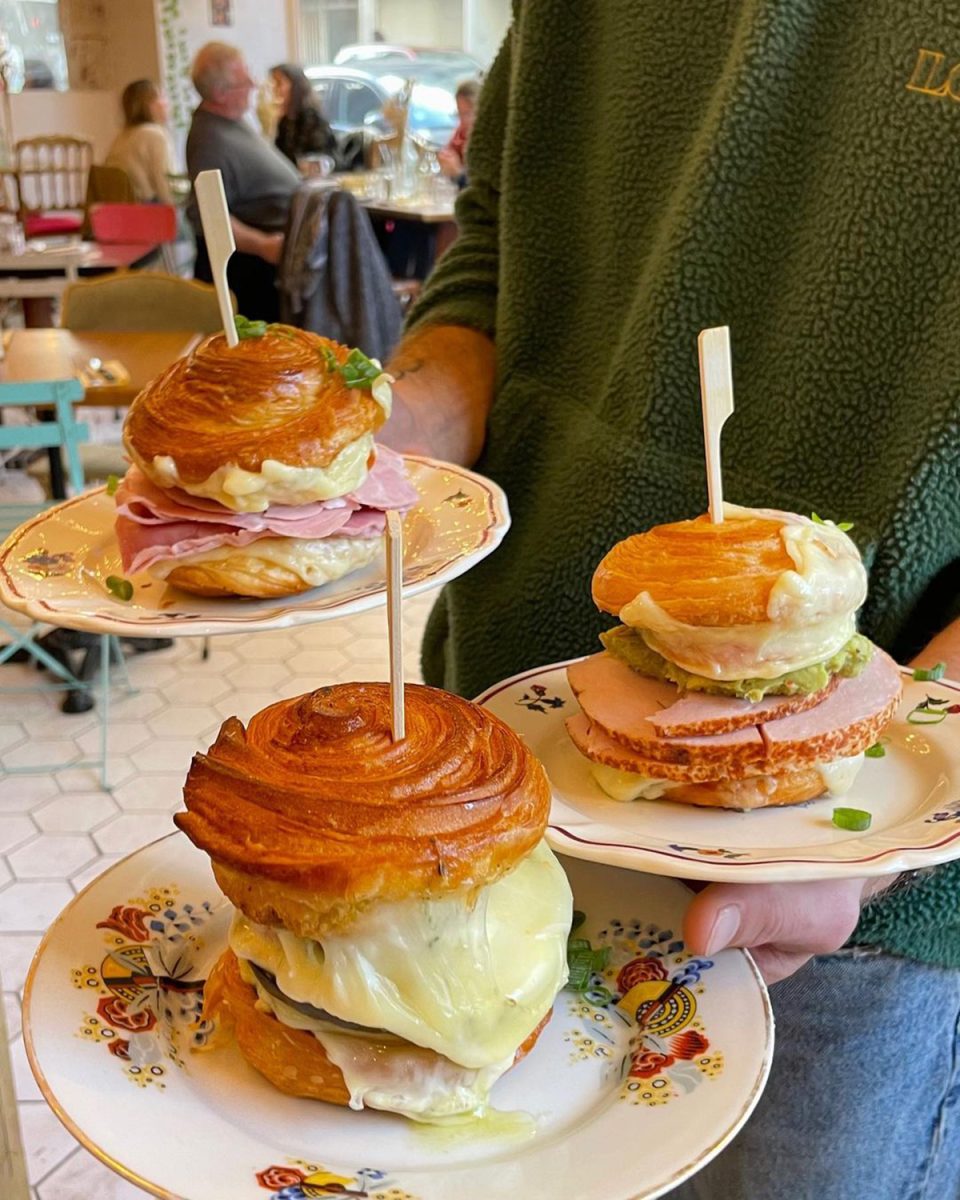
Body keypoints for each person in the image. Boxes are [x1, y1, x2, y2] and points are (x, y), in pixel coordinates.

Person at [381, 5, 960, 1197]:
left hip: (847, 898)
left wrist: (888, 838)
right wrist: (383, 440)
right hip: (493, 778)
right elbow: (499, 241)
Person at [185, 42, 301, 322]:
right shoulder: (209, 141)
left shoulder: (231, 121)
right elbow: (210, 217)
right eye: (243, 79)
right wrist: (264, 245)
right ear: (220, 93)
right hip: (254, 273)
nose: (253, 83)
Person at [105, 80, 176, 204]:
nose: (166, 103)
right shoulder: (155, 135)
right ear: (149, 105)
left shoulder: (121, 137)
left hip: (118, 209)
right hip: (147, 208)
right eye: (161, 97)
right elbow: (165, 186)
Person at [269, 63, 337, 168]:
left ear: (295, 87)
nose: (275, 90)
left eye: (279, 83)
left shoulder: (312, 120)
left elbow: (316, 161)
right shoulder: (285, 121)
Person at [437, 79, 480, 184]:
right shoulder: (460, 134)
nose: (463, 121)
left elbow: (481, 188)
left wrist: (458, 174)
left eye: (468, 114)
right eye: (459, 114)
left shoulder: (487, 142)